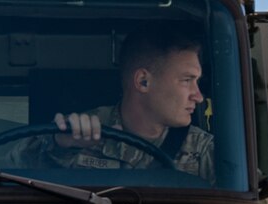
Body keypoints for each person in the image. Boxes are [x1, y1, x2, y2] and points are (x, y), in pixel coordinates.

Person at [11, 25, 215, 183]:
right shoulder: (82, 132)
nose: (198, 96)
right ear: (143, 81)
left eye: (196, 82)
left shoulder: (202, 150)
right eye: (187, 80)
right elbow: (15, 165)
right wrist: (59, 144)